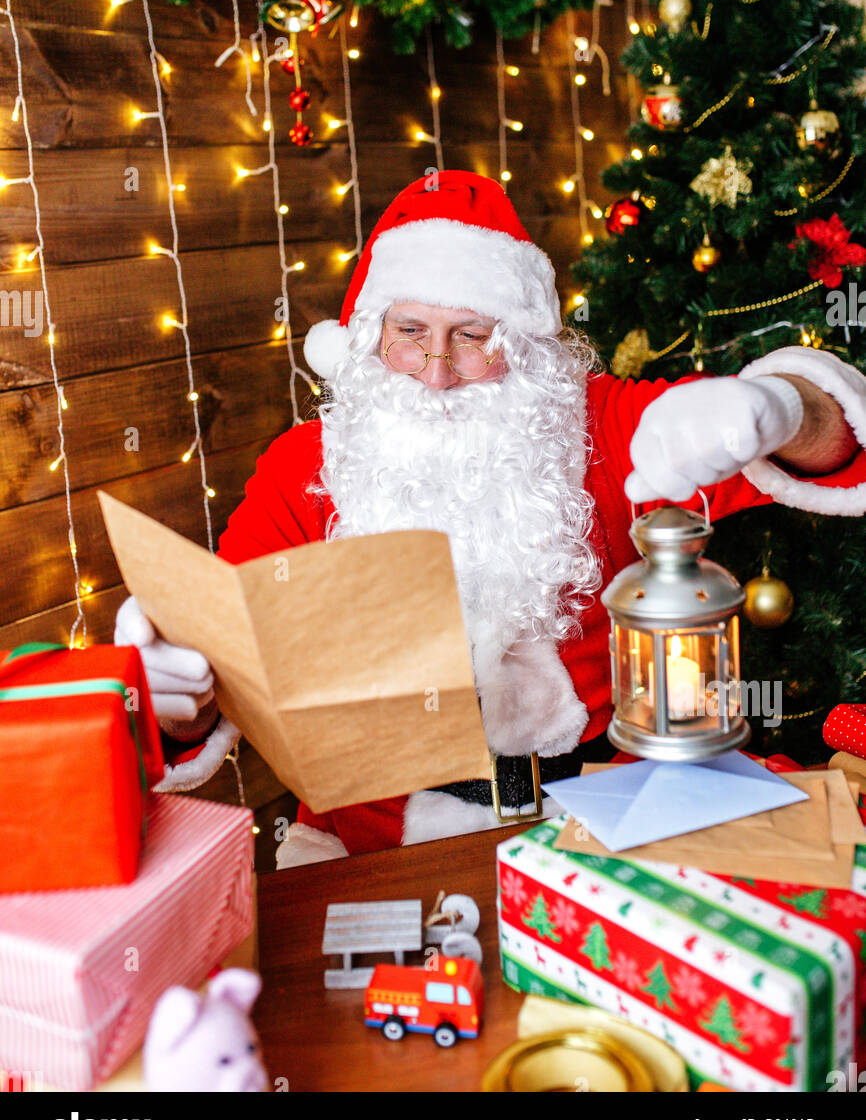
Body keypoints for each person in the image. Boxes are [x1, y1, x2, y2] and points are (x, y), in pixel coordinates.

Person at [115, 170, 866, 865]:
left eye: (473, 336)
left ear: (523, 344)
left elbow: (834, 448)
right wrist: (179, 700)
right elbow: (223, 646)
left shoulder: (596, 425)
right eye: (410, 332)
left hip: (604, 819)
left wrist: (782, 409)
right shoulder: (304, 465)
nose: (437, 371)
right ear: (370, 333)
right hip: (375, 845)